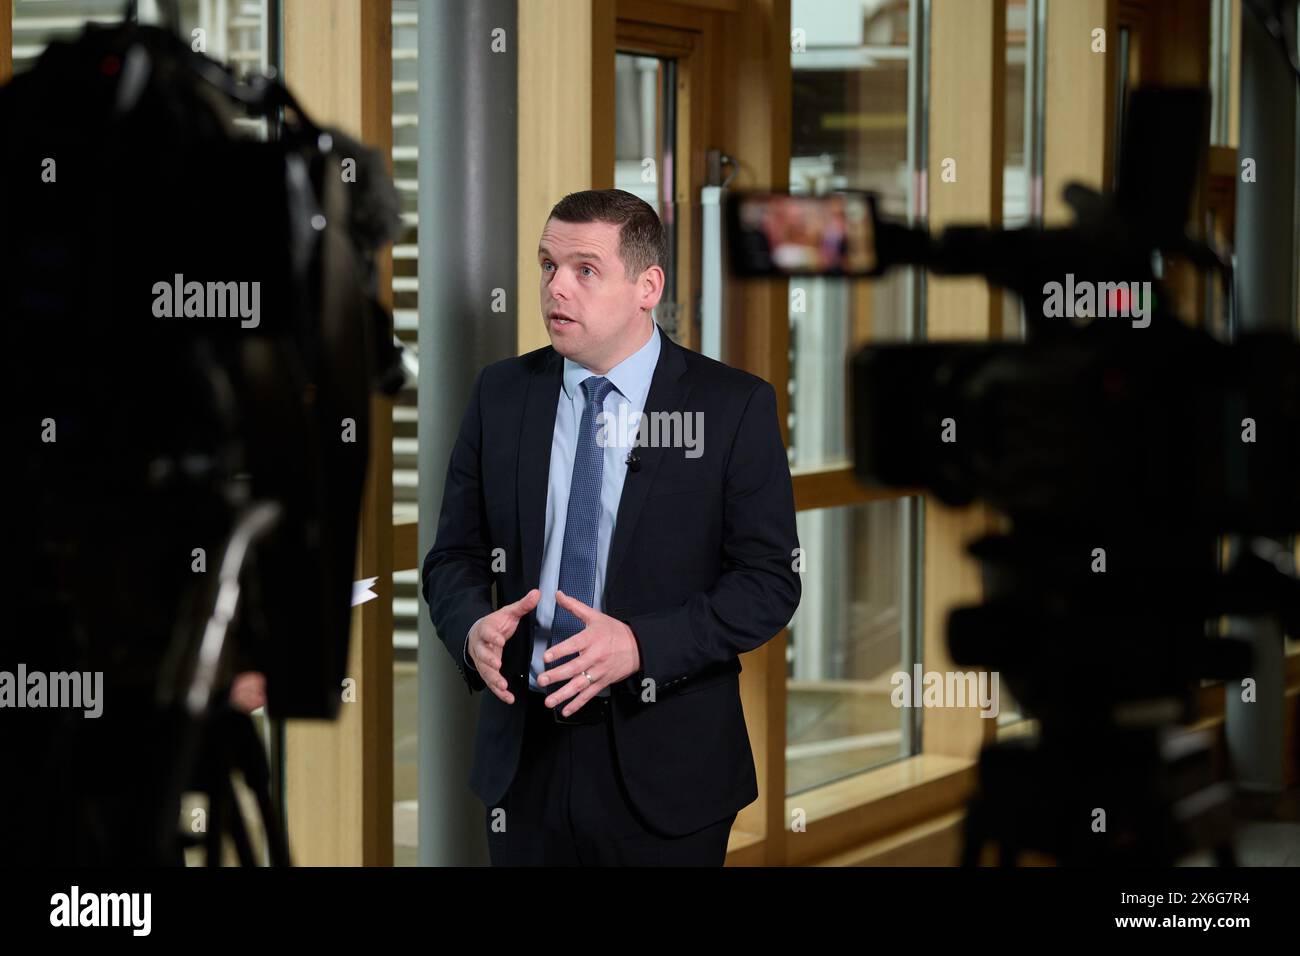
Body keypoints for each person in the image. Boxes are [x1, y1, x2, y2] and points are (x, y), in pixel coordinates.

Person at [422, 188, 800, 866]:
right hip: (524, 763)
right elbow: (453, 555)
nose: (556, 287)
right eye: (547, 265)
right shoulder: (501, 394)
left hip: (666, 770)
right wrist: (470, 626)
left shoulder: (732, 406)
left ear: (647, 286)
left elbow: (770, 583)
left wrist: (640, 646)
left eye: (584, 269)